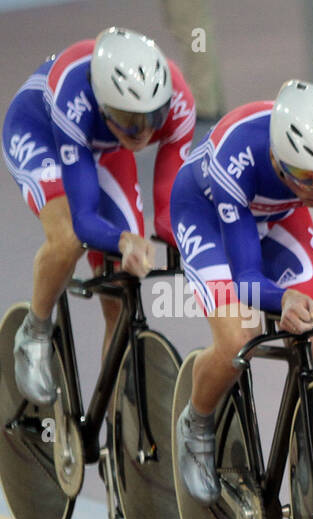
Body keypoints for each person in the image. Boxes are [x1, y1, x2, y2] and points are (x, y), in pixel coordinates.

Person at [171, 79, 313, 505]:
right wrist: (281, 300)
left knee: (311, 331)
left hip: (279, 215)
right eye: (306, 179)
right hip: (207, 215)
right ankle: (197, 421)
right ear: (278, 163)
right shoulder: (236, 153)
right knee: (236, 342)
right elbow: (245, 277)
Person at [4, 27, 194, 405]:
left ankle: (116, 437)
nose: (141, 132)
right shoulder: (74, 94)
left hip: (105, 145)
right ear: (103, 104)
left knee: (121, 290)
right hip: (42, 134)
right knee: (69, 239)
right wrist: (123, 240)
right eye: (127, 117)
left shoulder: (178, 103)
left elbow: (168, 212)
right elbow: (84, 218)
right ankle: (36, 330)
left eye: (150, 117)